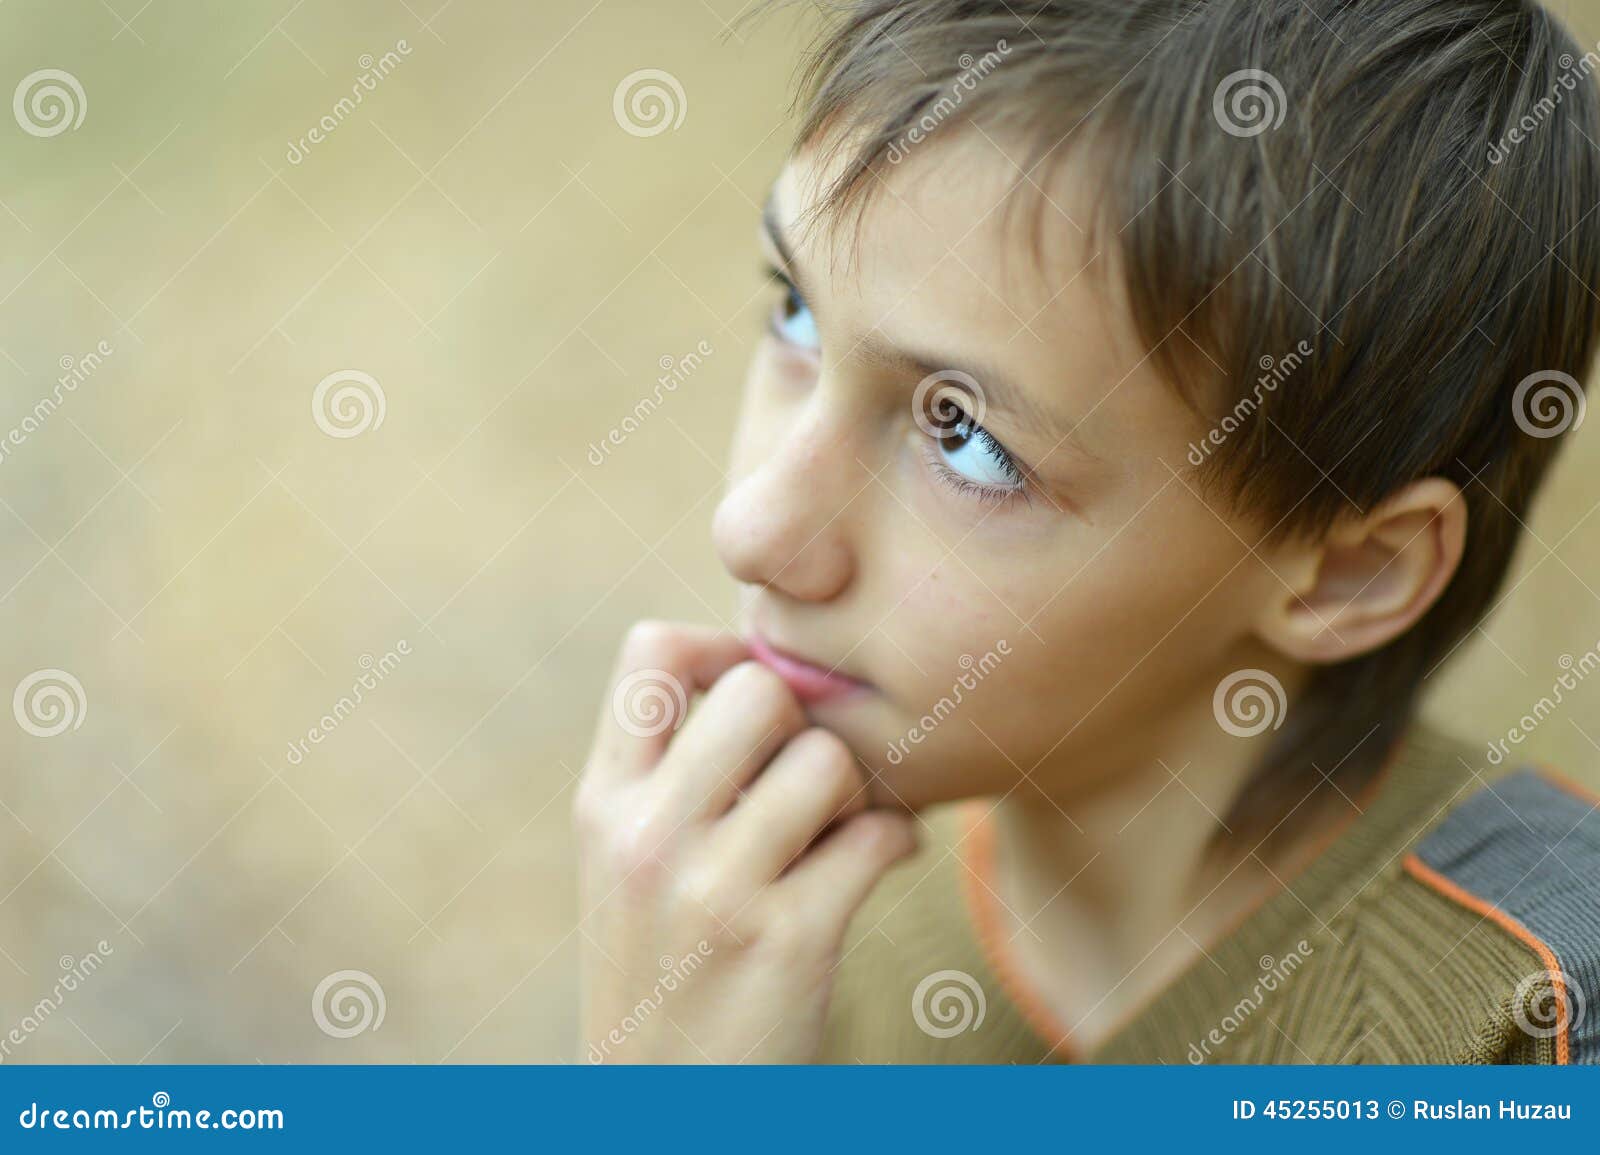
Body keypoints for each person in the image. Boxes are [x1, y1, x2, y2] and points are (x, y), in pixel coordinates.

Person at [575, 0, 1600, 1063]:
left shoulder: (1528, 1027)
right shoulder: (761, 914)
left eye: (968, 439)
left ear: (1347, 572)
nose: (751, 528)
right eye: (795, 312)